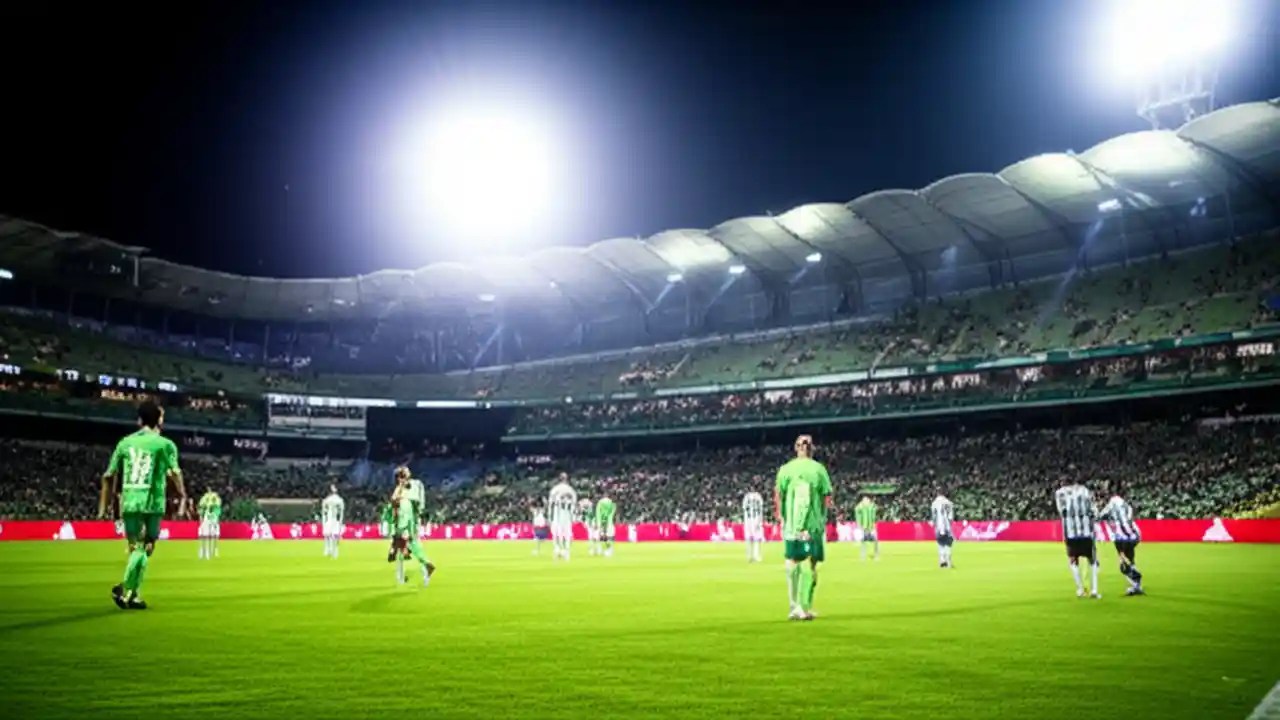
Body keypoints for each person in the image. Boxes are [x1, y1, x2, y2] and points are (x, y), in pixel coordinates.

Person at [98, 401, 188, 610]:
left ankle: (133, 595)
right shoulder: (165, 444)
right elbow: (175, 472)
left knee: (135, 547)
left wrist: (104, 506)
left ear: (139, 420)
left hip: (129, 501)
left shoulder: (125, 443)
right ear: (159, 420)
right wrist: (183, 496)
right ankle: (125, 588)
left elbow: (108, 476)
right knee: (146, 546)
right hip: (153, 503)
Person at [774, 434, 833, 621]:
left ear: (795, 448)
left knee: (792, 561)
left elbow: (778, 494)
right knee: (811, 563)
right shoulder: (818, 469)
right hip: (813, 525)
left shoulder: (786, 469)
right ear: (812, 448)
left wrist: (780, 515)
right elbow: (827, 496)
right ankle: (804, 607)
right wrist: (823, 516)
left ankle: (794, 606)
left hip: (792, 525)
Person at [1055, 482, 1101, 599]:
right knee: (1093, 560)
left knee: (1073, 561)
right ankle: (1094, 590)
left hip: (1071, 534)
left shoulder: (1060, 493)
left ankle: (1080, 590)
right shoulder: (1085, 491)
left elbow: (1061, 511)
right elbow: (1095, 512)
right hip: (1086, 533)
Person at [391, 467, 435, 586]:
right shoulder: (417, 484)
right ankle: (424, 564)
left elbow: (395, 501)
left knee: (401, 544)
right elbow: (420, 504)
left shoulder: (402, 488)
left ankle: (402, 576)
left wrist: (397, 522)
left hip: (405, 517)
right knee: (413, 543)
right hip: (414, 519)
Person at [1099, 494, 1144, 596]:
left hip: (1120, 538)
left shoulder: (1109, 508)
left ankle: (1136, 583)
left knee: (1123, 564)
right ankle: (1136, 581)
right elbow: (1131, 514)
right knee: (1130, 558)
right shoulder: (1126, 505)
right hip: (1135, 535)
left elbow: (1098, 517)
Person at [548, 475, 577, 561]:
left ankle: (557, 549)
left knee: (557, 533)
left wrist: (549, 516)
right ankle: (565, 551)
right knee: (566, 534)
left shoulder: (555, 489)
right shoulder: (571, 490)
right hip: (566, 514)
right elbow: (574, 504)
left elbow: (550, 504)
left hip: (557, 514)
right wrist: (573, 516)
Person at [197, 487, 222, 560]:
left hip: (213, 518)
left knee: (213, 535)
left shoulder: (215, 498)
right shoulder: (204, 498)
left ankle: (213, 549)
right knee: (204, 535)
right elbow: (201, 508)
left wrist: (217, 517)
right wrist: (201, 517)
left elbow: (218, 508)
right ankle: (203, 550)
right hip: (207, 518)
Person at [321, 484, 345, 558]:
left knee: (335, 535)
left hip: (335, 520)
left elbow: (341, 511)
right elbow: (324, 510)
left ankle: (335, 551)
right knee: (327, 534)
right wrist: (324, 520)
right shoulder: (327, 500)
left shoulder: (339, 500)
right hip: (329, 519)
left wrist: (340, 521)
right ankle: (328, 549)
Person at [931, 495, 954, 568]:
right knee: (948, 545)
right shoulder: (949, 503)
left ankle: (942, 560)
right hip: (947, 528)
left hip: (939, 528)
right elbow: (951, 517)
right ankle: (949, 562)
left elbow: (934, 517)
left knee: (941, 544)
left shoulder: (934, 503)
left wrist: (934, 524)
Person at [742, 491, 765, 563]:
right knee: (756, 539)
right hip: (756, 520)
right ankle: (756, 556)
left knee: (749, 539)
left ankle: (749, 556)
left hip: (747, 520)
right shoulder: (758, 496)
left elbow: (744, 508)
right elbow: (761, 509)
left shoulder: (746, 497)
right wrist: (760, 520)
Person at [855, 495, 879, 561]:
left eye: (866, 500)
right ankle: (863, 556)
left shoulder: (872, 506)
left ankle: (876, 555)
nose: (865, 501)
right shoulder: (860, 507)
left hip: (871, 527)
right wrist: (859, 525)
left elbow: (875, 510)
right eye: (864, 500)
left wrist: (874, 524)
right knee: (863, 542)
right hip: (864, 527)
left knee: (876, 541)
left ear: (869, 500)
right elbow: (857, 511)